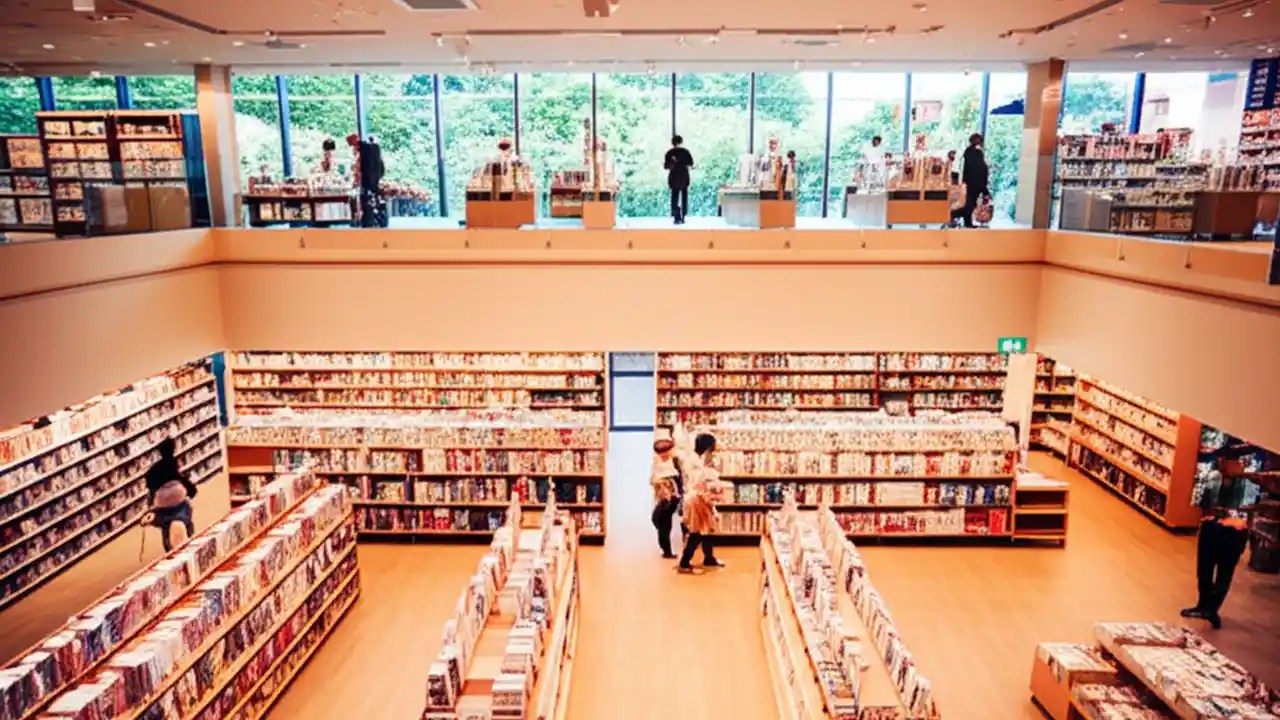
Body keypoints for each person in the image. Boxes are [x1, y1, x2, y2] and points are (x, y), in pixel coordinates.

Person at [1181, 449, 1252, 629]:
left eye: (1227, 461)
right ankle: (1202, 605)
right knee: (1204, 569)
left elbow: (1250, 511)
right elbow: (1202, 502)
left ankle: (1212, 609)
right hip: (1211, 527)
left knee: (1224, 573)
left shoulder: (1248, 485)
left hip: (1234, 532)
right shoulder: (1213, 479)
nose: (1223, 464)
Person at [677, 432, 730, 573]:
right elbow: (699, 484)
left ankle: (709, 558)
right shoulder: (696, 464)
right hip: (697, 500)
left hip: (697, 498)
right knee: (697, 531)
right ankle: (684, 562)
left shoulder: (694, 460)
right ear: (707, 449)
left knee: (707, 529)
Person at [144, 437, 198, 552]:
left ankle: (168, 547)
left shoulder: (154, 469)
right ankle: (189, 532)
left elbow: (150, 486)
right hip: (178, 498)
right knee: (186, 509)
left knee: (165, 524)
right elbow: (180, 479)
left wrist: (150, 506)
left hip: (161, 503)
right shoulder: (173, 462)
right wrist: (191, 490)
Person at [347, 133, 386, 228]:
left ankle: (363, 218)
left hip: (365, 183)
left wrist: (356, 181)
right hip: (372, 182)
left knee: (362, 201)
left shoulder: (363, 155)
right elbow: (381, 170)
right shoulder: (374, 153)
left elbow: (358, 171)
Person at [950, 133, 989, 228]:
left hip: (970, 184)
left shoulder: (969, 152)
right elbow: (980, 170)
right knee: (969, 205)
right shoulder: (976, 153)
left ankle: (967, 222)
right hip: (974, 184)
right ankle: (952, 215)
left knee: (969, 205)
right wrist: (984, 189)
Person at [650, 438, 680, 558]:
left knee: (662, 522)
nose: (662, 455)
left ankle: (666, 550)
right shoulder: (659, 463)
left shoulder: (672, 464)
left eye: (665, 451)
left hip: (670, 498)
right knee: (658, 520)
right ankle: (666, 548)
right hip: (663, 497)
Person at [664, 135, 694, 224]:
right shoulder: (685, 152)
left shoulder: (669, 153)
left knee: (674, 196)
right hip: (684, 176)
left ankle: (676, 215)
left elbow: (666, 166)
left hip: (674, 176)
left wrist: (673, 163)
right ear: (681, 142)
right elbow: (691, 164)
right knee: (684, 196)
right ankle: (683, 215)